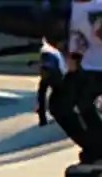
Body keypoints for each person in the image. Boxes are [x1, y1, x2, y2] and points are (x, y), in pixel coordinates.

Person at [53, 0, 102, 162]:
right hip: (82, 67)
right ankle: (93, 148)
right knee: (59, 105)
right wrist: (67, 52)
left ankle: (96, 148)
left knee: (85, 104)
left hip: (98, 69)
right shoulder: (66, 7)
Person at [37, 37, 67, 126]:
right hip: (55, 75)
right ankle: (46, 116)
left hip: (52, 74)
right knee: (53, 94)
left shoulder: (50, 51)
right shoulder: (53, 52)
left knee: (43, 94)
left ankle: (43, 118)